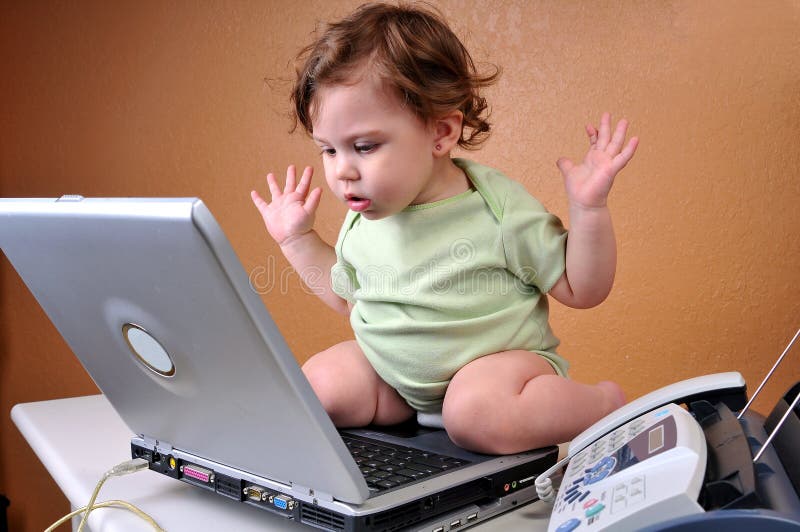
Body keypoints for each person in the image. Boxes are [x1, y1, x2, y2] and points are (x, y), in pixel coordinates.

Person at [251, 2, 638, 455]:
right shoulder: (366, 216)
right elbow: (348, 297)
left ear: (441, 133)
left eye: (363, 146)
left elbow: (582, 288)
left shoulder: (496, 209)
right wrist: (297, 240)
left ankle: (601, 403)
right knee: (316, 387)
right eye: (329, 151)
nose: (343, 172)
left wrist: (588, 209)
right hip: (398, 383)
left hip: (499, 376)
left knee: (474, 412)